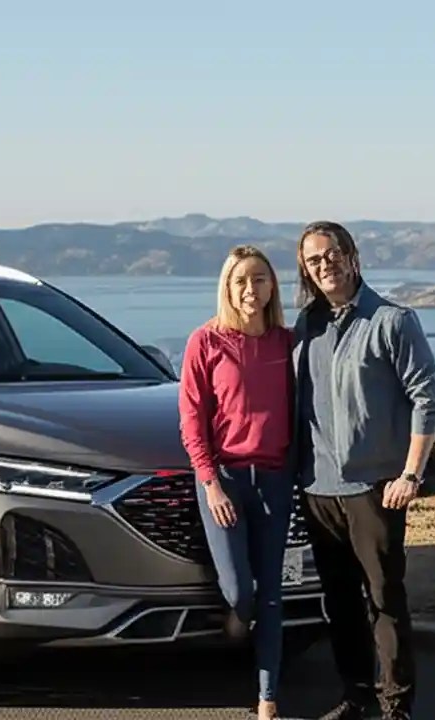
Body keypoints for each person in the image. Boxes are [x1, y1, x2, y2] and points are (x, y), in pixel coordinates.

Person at [290, 221, 435, 720]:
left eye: (332, 253)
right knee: (339, 602)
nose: (325, 265)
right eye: (314, 260)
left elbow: (428, 400)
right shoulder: (304, 327)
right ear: (306, 271)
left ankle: (396, 705)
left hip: (374, 490)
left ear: (352, 255)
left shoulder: (393, 321)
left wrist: (410, 475)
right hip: (316, 487)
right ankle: (356, 696)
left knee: (384, 598)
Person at [178, 244, 298, 720]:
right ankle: (235, 616)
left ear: (272, 286)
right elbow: (192, 420)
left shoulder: (286, 344)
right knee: (241, 591)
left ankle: (268, 696)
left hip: (274, 481)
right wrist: (210, 483)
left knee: (272, 593)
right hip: (224, 482)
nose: (252, 289)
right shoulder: (205, 342)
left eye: (261, 279)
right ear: (228, 287)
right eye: (241, 281)